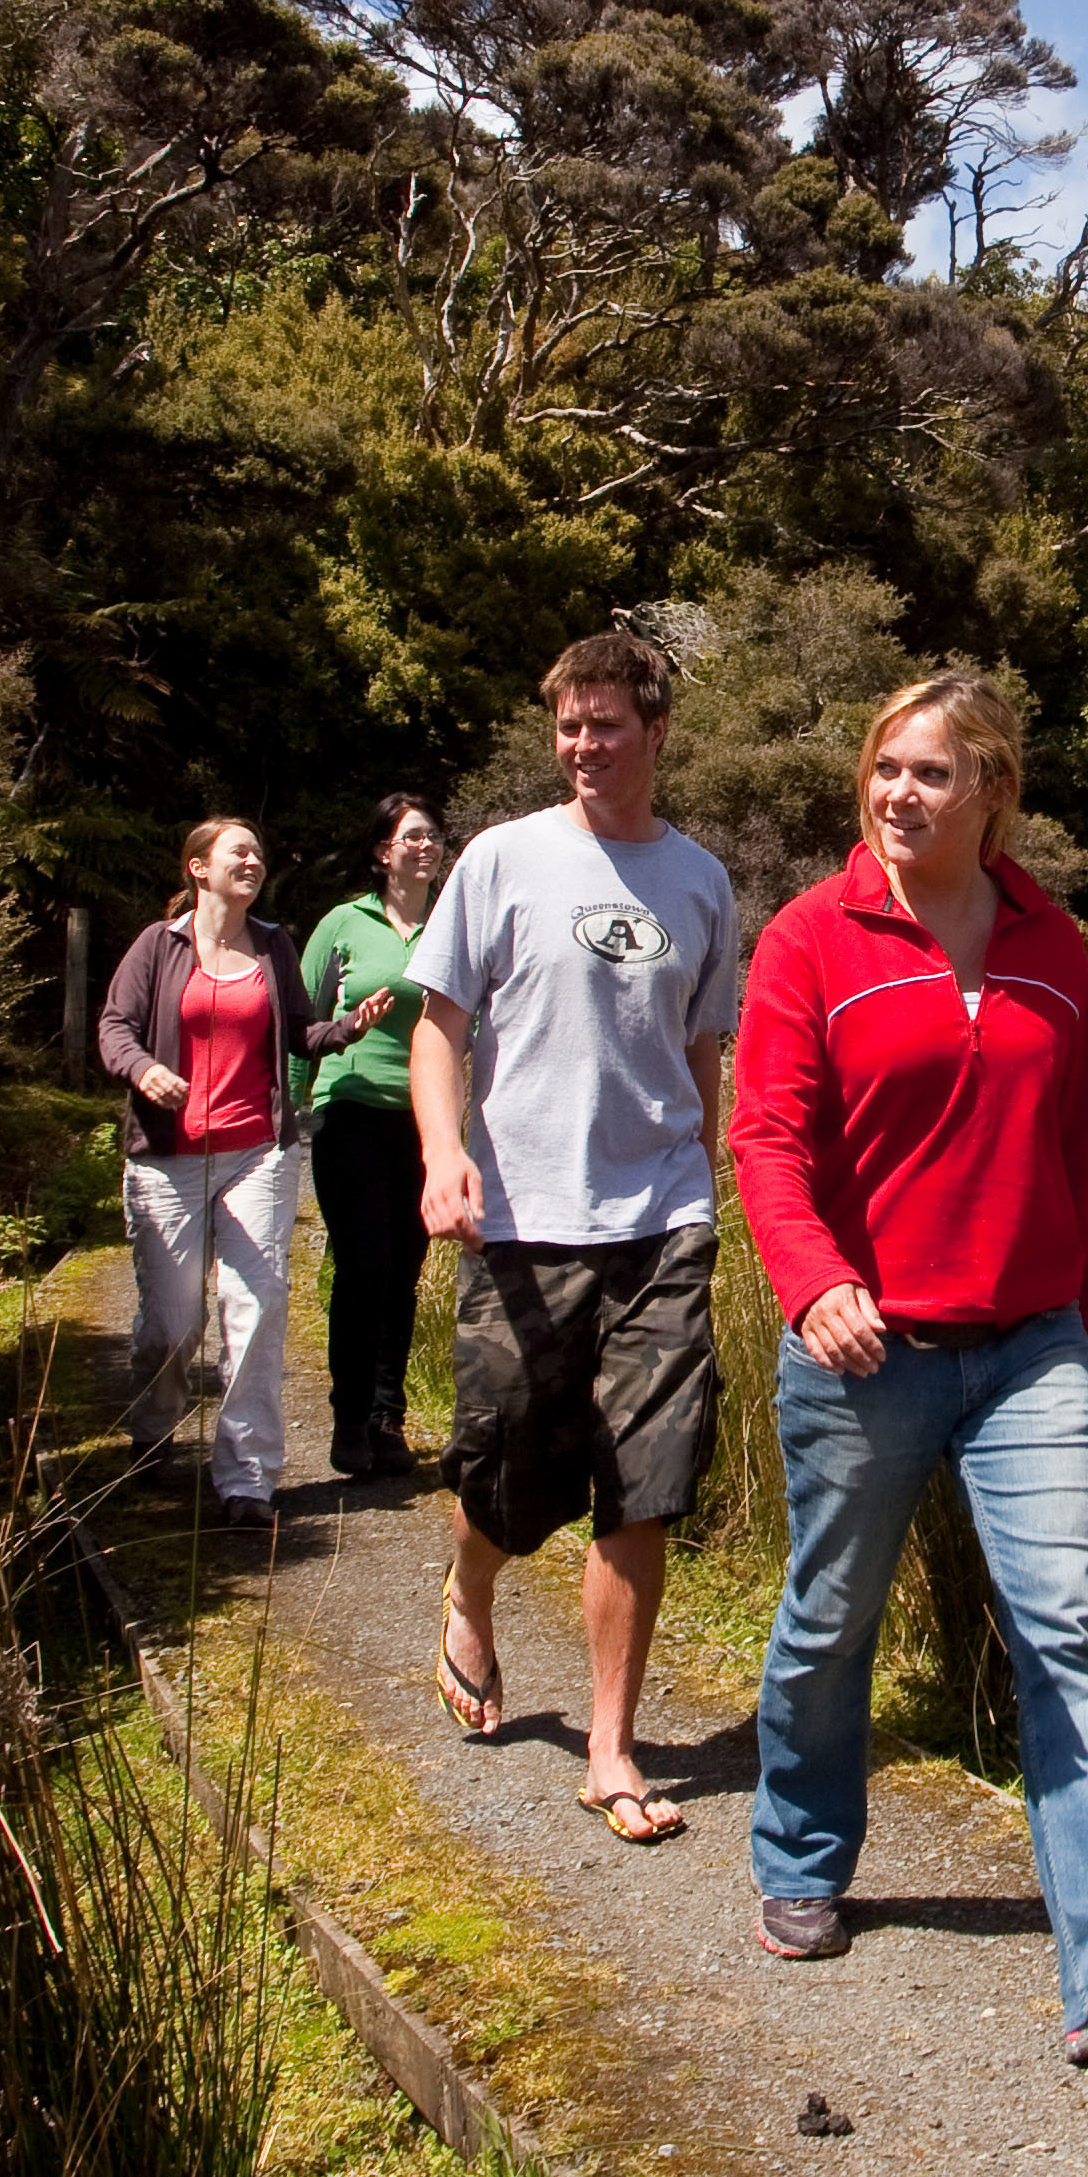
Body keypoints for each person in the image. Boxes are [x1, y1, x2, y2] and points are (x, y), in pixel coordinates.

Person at [728, 670, 1088, 2066]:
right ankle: (804, 1851)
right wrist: (814, 1281)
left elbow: (1075, 1150)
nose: (899, 795)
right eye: (885, 768)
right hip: (865, 1346)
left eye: (932, 774)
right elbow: (764, 1137)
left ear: (994, 789)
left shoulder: (1051, 943)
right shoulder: (812, 938)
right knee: (832, 1619)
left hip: (1031, 1350)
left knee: (1065, 1629)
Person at [407, 629, 747, 1843]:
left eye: (606, 725)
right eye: (569, 726)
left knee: (640, 1486)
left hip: (660, 1220)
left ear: (656, 734)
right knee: (506, 1469)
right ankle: (473, 1580)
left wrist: (697, 1156)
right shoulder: (502, 862)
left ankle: (611, 1746)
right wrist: (445, 1158)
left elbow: (703, 1045)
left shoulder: (702, 883)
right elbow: (440, 1029)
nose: (583, 746)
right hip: (521, 1215)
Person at [95, 816, 357, 1519]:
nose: (254, 860)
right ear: (199, 868)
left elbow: (299, 1030)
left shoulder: (273, 945)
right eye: (239, 850)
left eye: (259, 852)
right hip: (168, 1161)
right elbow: (114, 1026)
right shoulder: (159, 946)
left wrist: (346, 1029)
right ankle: (154, 1432)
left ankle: (247, 1481)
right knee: (172, 1325)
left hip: (257, 1154)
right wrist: (144, 1069)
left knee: (257, 1308)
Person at [299, 793, 443, 1485]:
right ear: (383, 852)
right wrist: (288, 1104)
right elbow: (298, 1019)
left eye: (431, 836)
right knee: (365, 1265)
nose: (425, 846)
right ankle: (350, 1417)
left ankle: (389, 1419)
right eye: (411, 836)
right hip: (348, 1108)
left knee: (405, 1272)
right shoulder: (343, 924)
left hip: (421, 1120)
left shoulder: (451, 925)